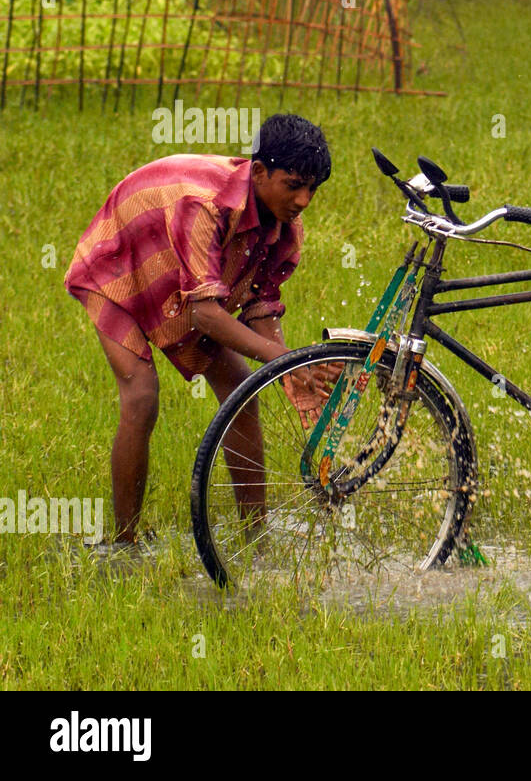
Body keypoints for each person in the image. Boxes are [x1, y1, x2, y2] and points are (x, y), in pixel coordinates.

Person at [65, 113, 337, 547]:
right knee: (141, 395)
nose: (304, 200)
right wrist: (285, 361)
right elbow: (207, 315)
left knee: (241, 391)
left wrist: (284, 367)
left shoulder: (284, 226)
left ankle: (255, 534)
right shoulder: (205, 205)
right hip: (117, 267)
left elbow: (260, 302)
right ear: (261, 172)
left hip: (179, 279)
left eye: (313, 189)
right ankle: (124, 542)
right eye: (294, 185)